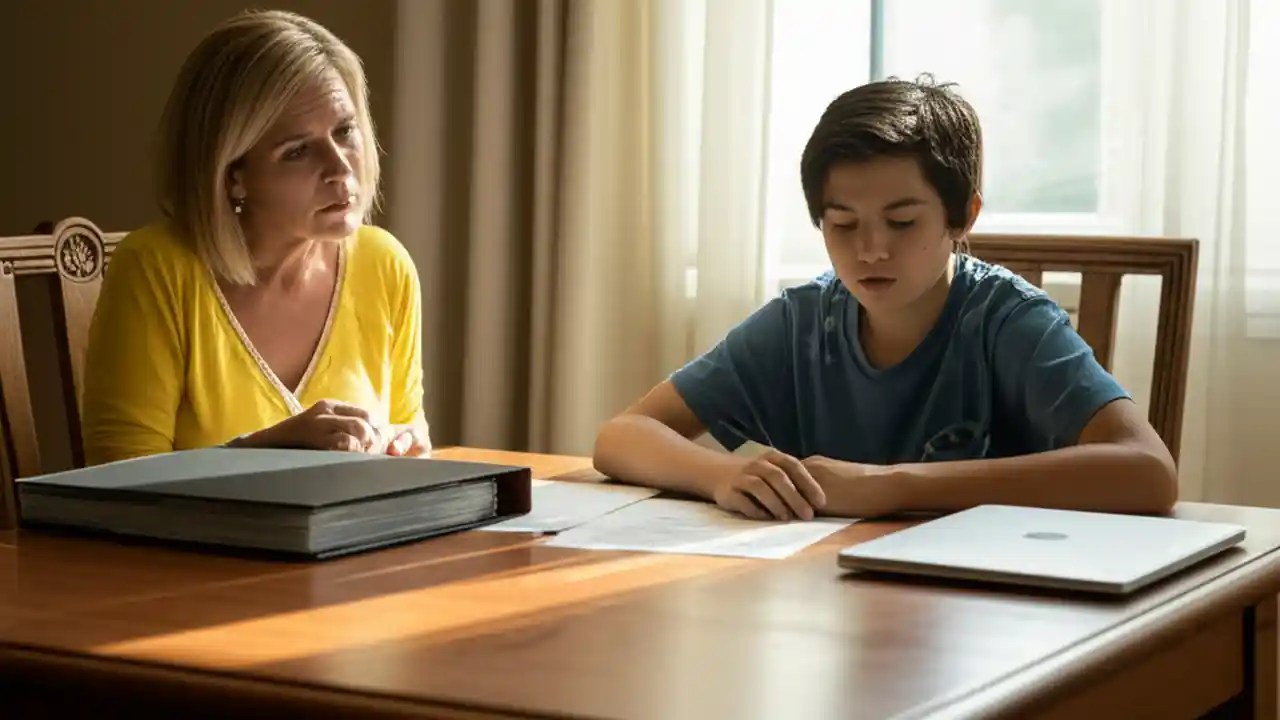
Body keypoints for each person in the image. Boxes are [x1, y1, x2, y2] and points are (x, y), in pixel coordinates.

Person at [593, 77, 1177, 520]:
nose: (871, 250)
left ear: (962, 215)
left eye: (901, 222)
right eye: (843, 225)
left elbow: (1149, 472)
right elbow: (621, 436)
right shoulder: (802, 323)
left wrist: (892, 485)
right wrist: (721, 474)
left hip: (987, 617)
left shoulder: (1008, 322)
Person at [80, 10, 430, 465]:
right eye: (298, 151)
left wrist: (406, 447)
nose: (341, 167)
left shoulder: (386, 264)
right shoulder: (155, 268)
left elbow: (411, 429)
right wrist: (264, 453)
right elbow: (116, 482)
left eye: (345, 131)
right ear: (233, 175)